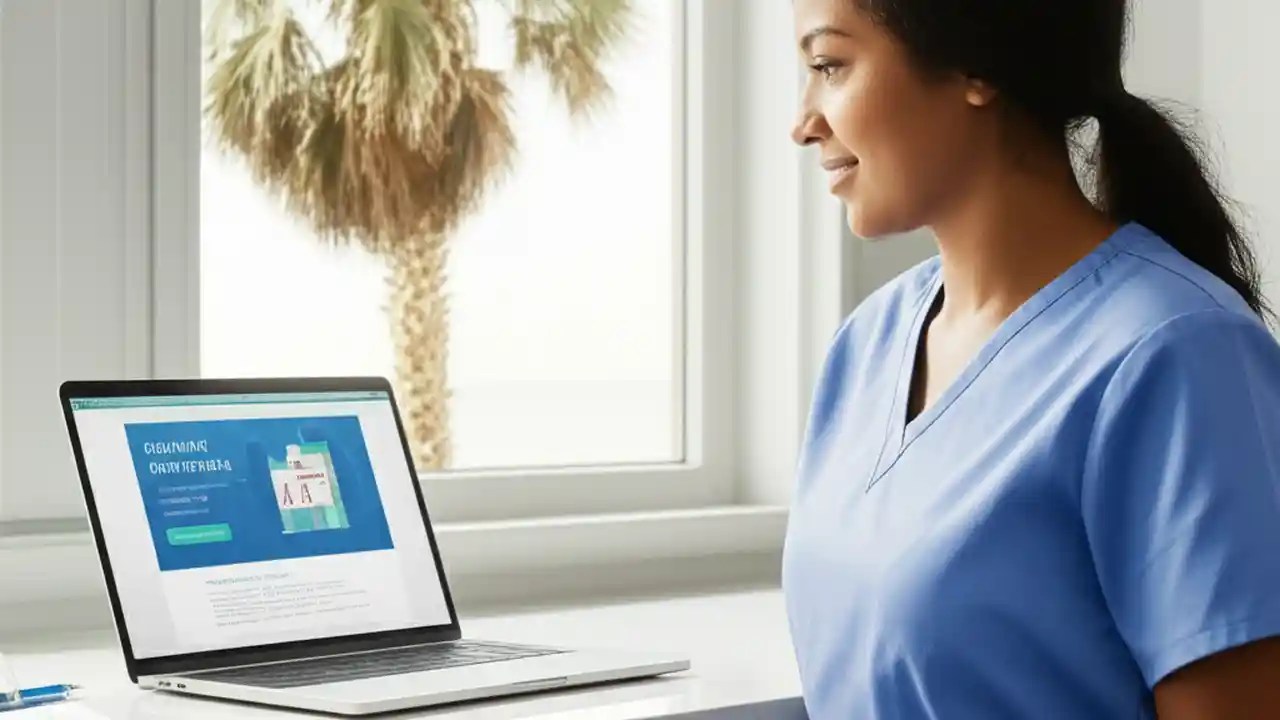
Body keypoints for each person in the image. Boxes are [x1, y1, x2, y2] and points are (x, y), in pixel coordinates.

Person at [783, 0, 1280, 718]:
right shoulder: (865, 346)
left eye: (830, 66)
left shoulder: (1178, 355)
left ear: (975, 66)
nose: (803, 123)